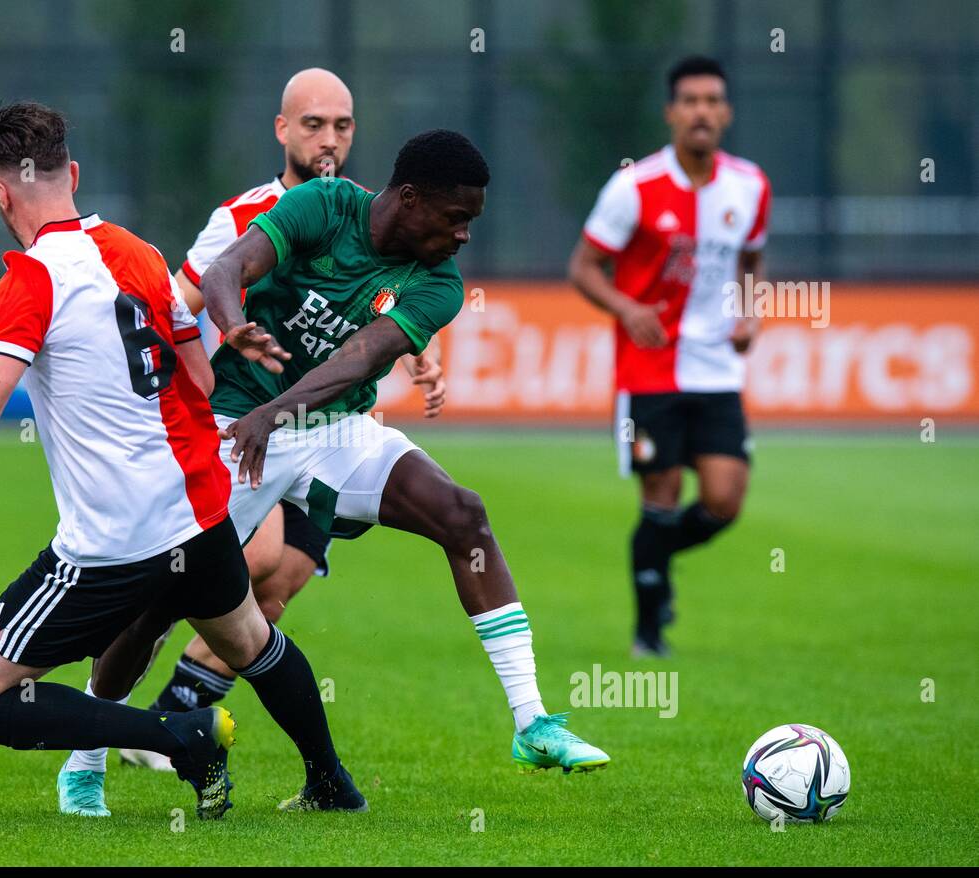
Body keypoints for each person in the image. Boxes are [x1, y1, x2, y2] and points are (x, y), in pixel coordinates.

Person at [0, 101, 355, 820]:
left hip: (113, 541)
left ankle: (180, 736)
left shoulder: (30, 280)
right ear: (73, 173)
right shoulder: (140, 253)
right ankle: (333, 784)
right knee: (251, 640)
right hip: (198, 506)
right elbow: (204, 382)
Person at [94, 128, 611, 805]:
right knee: (157, 601)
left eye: (472, 222)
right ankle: (85, 758)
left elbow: (361, 360)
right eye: (456, 218)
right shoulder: (326, 206)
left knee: (464, 515)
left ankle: (531, 722)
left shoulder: (439, 284)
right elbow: (226, 271)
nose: (463, 236)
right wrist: (235, 323)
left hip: (332, 428)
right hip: (233, 428)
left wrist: (278, 412)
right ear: (409, 198)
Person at [62, 68, 445, 792]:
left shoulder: (364, 214)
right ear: (282, 130)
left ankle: (179, 716)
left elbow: (379, 310)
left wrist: (421, 356)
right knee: (198, 581)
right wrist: (195, 373)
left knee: (278, 584)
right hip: (240, 429)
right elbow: (176, 307)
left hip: (325, 437)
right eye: (313, 125)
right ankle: (105, 738)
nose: (328, 139)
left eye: (341, 125)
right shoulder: (244, 216)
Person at [568, 55, 771, 657]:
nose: (702, 111)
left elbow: (753, 260)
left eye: (712, 100)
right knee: (658, 495)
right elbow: (582, 267)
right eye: (690, 101)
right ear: (672, 112)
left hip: (716, 370)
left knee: (724, 500)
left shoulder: (750, 185)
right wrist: (627, 309)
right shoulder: (634, 187)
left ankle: (654, 561)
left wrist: (752, 311)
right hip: (649, 368)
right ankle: (649, 632)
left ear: (726, 113)